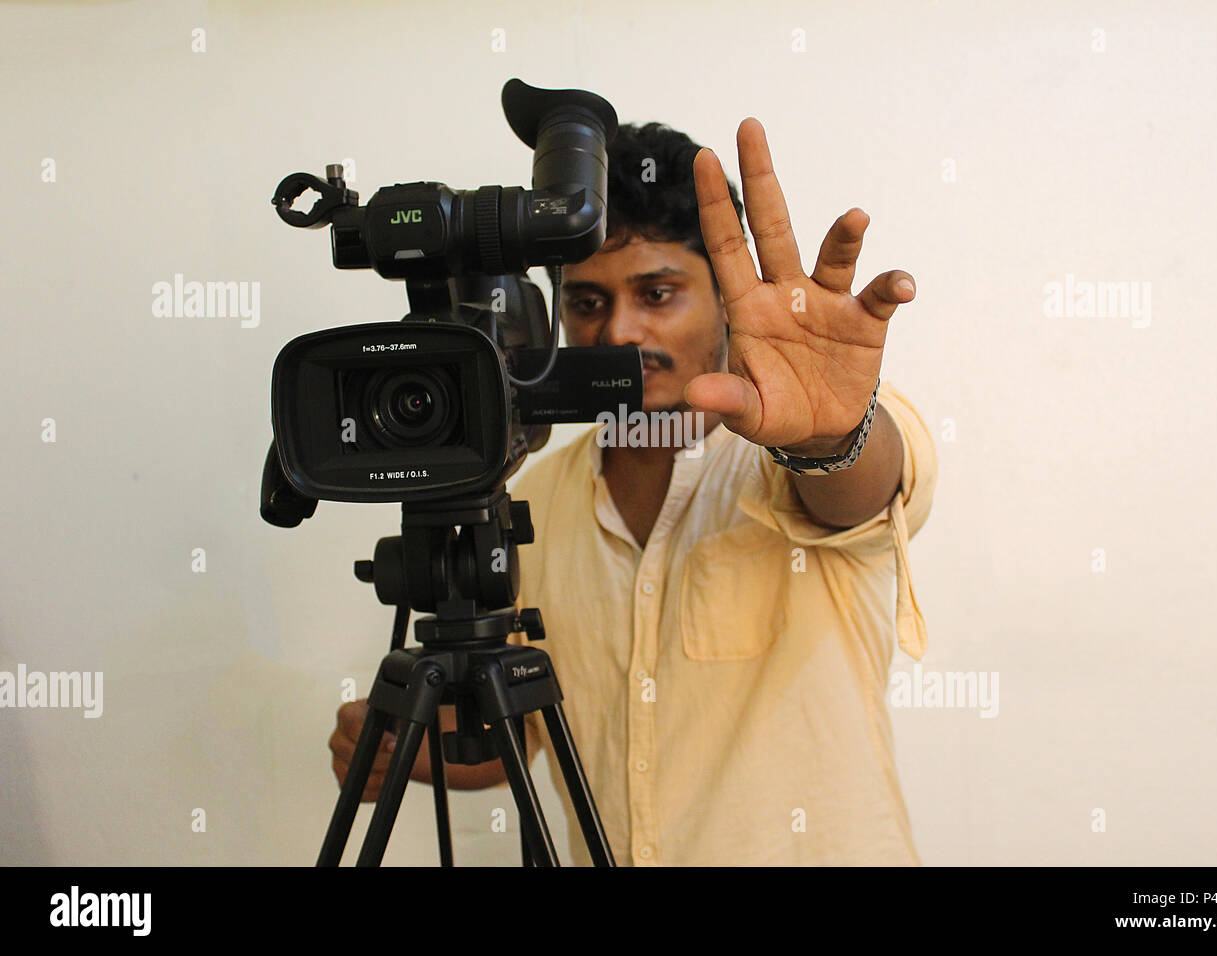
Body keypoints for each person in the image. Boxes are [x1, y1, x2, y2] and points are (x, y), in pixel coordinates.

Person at [330, 116, 938, 865]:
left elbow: (860, 489)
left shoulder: (800, 457)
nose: (617, 331)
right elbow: (537, 730)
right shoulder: (533, 494)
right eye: (586, 303)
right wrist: (415, 753)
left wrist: (824, 437)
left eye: (656, 293)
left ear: (725, 299)